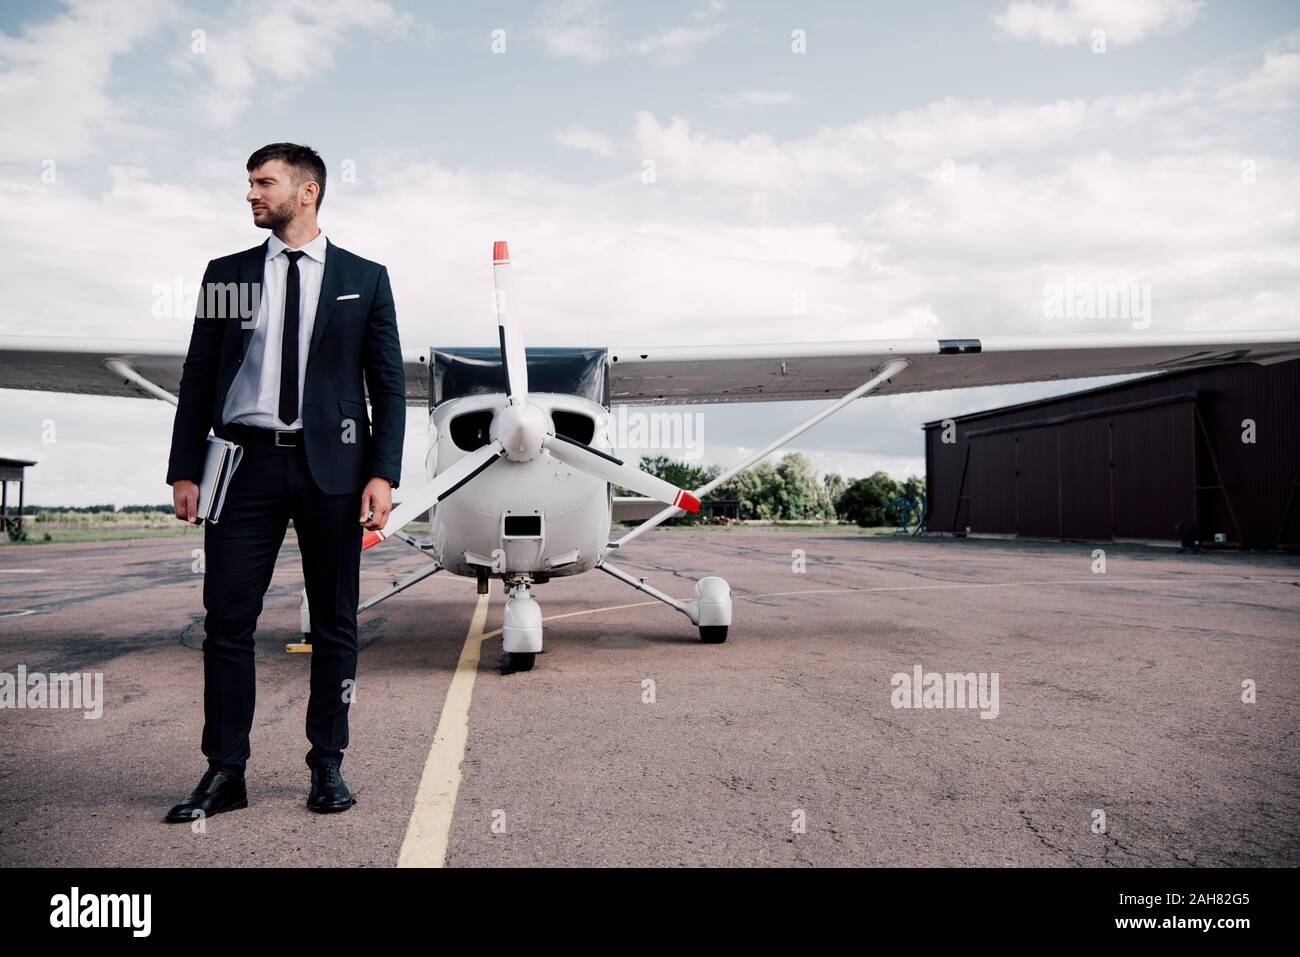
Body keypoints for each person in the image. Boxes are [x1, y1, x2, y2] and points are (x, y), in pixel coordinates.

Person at [163, 142, 405, 819]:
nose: (250, 194)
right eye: (248, 183)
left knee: (334, 623)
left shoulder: (367, 277)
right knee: (227, 620)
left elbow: (386, 388)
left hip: (335, 467)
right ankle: (225, 770)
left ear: (307, 192)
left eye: (262, 183)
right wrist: (185, 468)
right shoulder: (226, 274)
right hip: (244, 467)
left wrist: (383, 473)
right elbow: (198, 376)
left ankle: (327, 764)